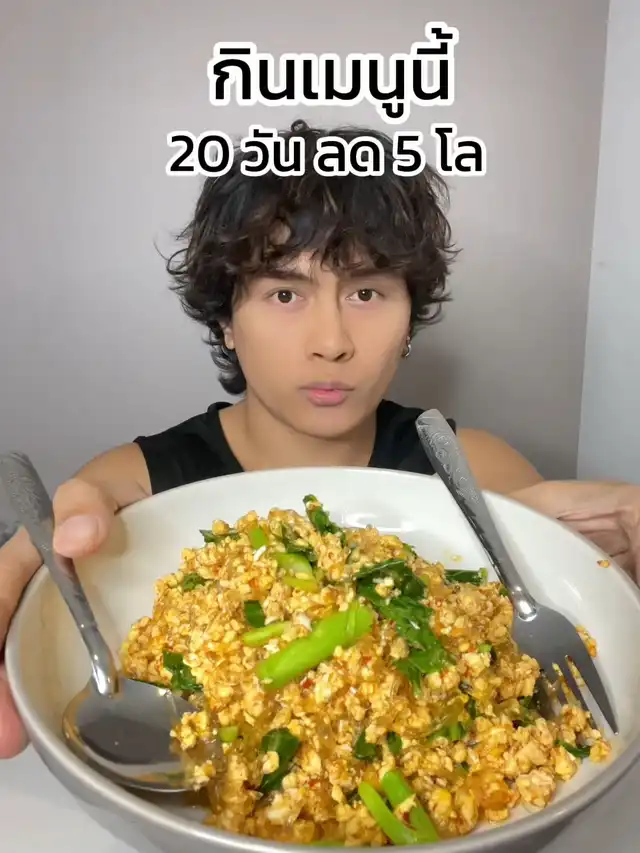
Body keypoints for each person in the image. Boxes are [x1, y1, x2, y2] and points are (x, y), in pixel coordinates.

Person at [1, 120, 639, 761]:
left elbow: (557, 595)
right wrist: (44, 560)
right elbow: (78, 522)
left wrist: (600, 566)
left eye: (367, 292)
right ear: (226, 321)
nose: (331, 342)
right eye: (285, 293)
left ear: (409, 320)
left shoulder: (478, 469)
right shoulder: (138, 484)